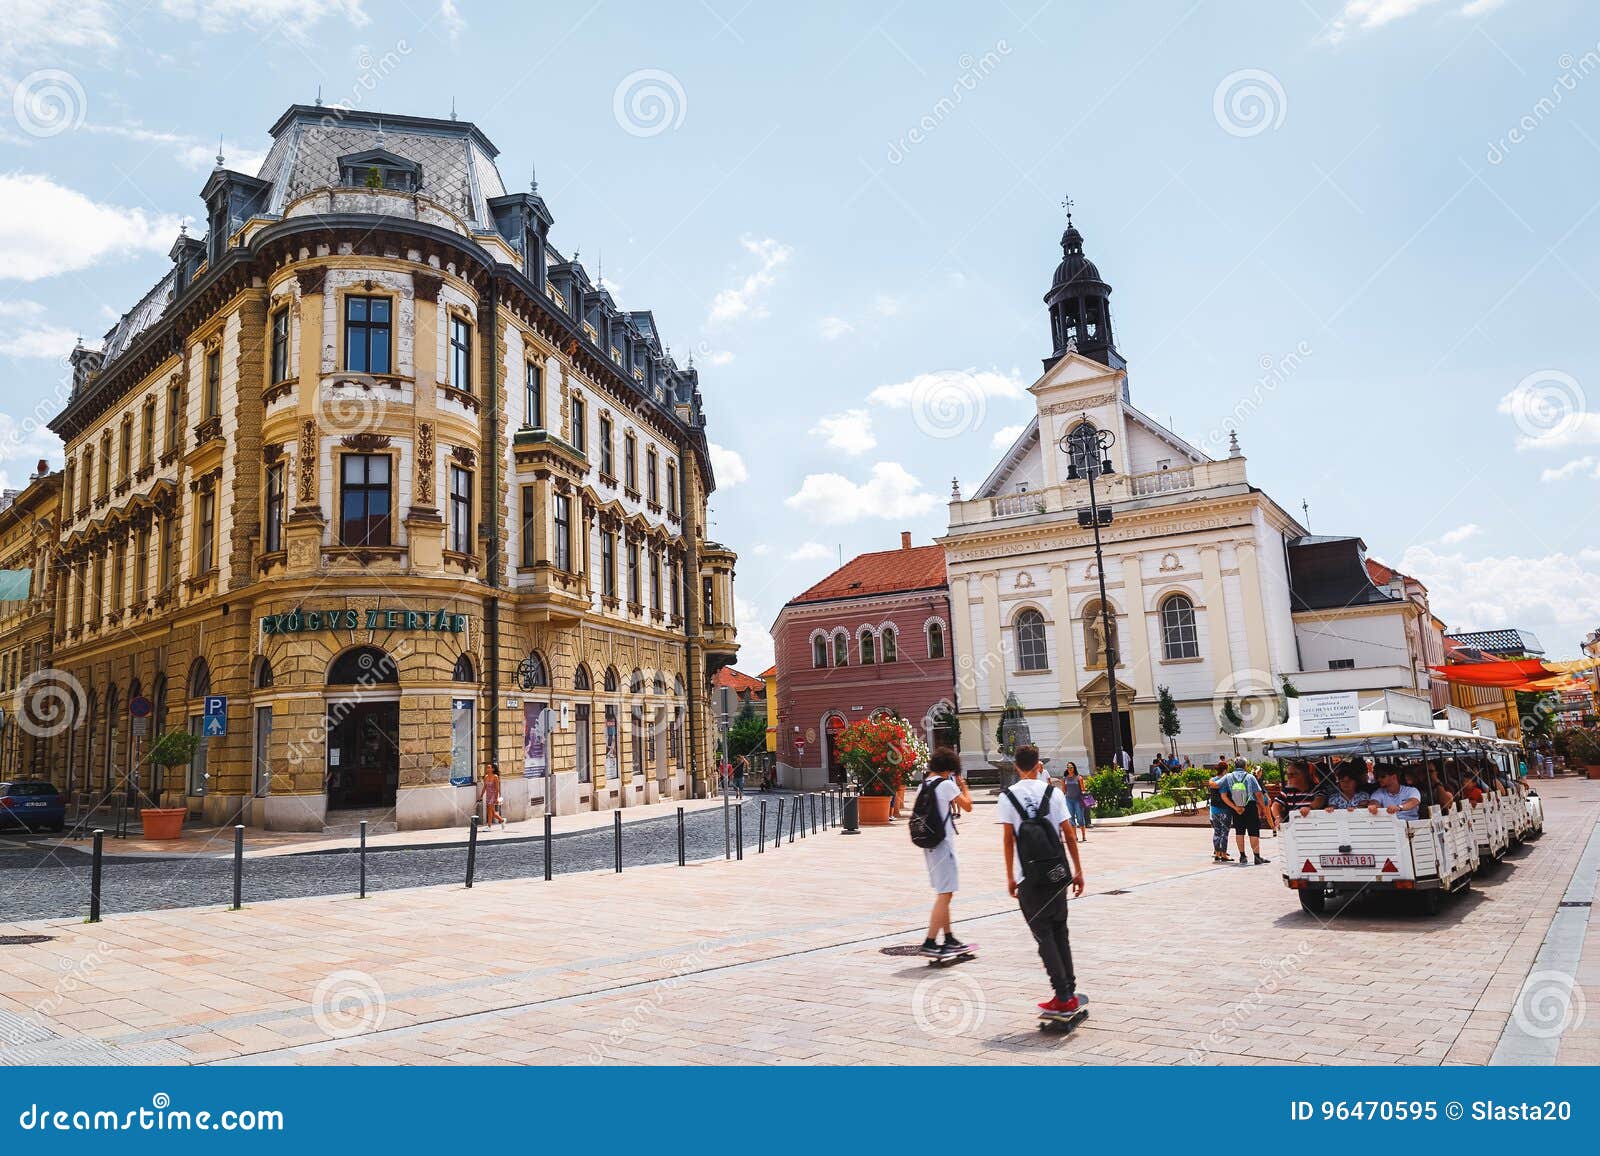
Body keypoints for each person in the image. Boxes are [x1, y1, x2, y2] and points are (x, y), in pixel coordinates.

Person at [996, 744, 1085, 1015]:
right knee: (1060, 930)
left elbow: (1009, 840)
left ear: (1015, 767)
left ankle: (1062, 994)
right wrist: (1078, 870)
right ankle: (1068, 988)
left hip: (1029, 879)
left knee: (1043, 934)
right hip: (1057, 875)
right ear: (1038, 766)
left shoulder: (1007, 797)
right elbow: (1069, 835)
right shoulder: (1053, 793)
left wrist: (1011, 876)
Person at [917, 747, 973, 959]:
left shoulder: (925, 784)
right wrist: (963, 786)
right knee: (945, 894)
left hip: (929, 845)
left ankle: (949, 938)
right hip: (943, 846)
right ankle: (930, 941)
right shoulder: (946, 785)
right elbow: (968, 806)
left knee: (944, 892)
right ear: (949, 767)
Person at [1218, 757, 1274, 865]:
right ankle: (1257, 857)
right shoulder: (1250, 777)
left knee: (1239, 831)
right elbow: (1258, 794)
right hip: (1250, 806)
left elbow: (1221, 791)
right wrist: (1263, 807)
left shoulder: (1228, 777)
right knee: (1253, 831)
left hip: (1237, 807)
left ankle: (1242, 856)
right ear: (1245, 766)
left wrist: (1235, 807)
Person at [1205, 766, 1233, 863]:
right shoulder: (1226, 780)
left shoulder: (1212, 780)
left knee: (1217, 832)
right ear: (1225, 770)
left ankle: (1217, 853)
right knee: (1224, 832)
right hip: (1225, 809)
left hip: (1214, 810)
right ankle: (1224, 854)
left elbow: (1214, 785)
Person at [1059, 761, 1089, 842]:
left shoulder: (1079, 778)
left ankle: (1083, 836)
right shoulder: (1064, 779)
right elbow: (1063, 791)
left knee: (1080, 818)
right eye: (1068, 767)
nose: (1069, 769)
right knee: (1071, 819)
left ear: (1074, 768)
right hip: (1068, 800)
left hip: (1078, 800)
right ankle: (1075, 837)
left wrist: (1083, 791)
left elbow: (1083, 789)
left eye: (1071, 767)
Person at [478, 763, 504, 830]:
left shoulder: (495, 776)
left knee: (489, 811)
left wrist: (496, 798)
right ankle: (502, 820)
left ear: (493, 769)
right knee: (492, 812)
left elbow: (497, 788)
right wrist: (481, 796)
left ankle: (489, 826)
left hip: (493, 795)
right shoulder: (486, 777)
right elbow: (484, 787)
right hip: (488, 795)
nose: (487, 769)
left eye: (489, 767)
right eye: (487, 767)